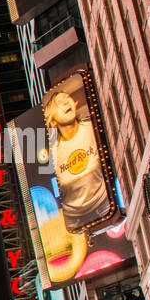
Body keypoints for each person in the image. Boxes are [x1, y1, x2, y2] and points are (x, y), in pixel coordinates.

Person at [44, 83, 113, 232]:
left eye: (66, 99)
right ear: (53, 120)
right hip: (75, 221)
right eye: (59, 103)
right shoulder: (52, 153)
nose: (66, 102)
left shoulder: (92, 128)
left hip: (106, 205)